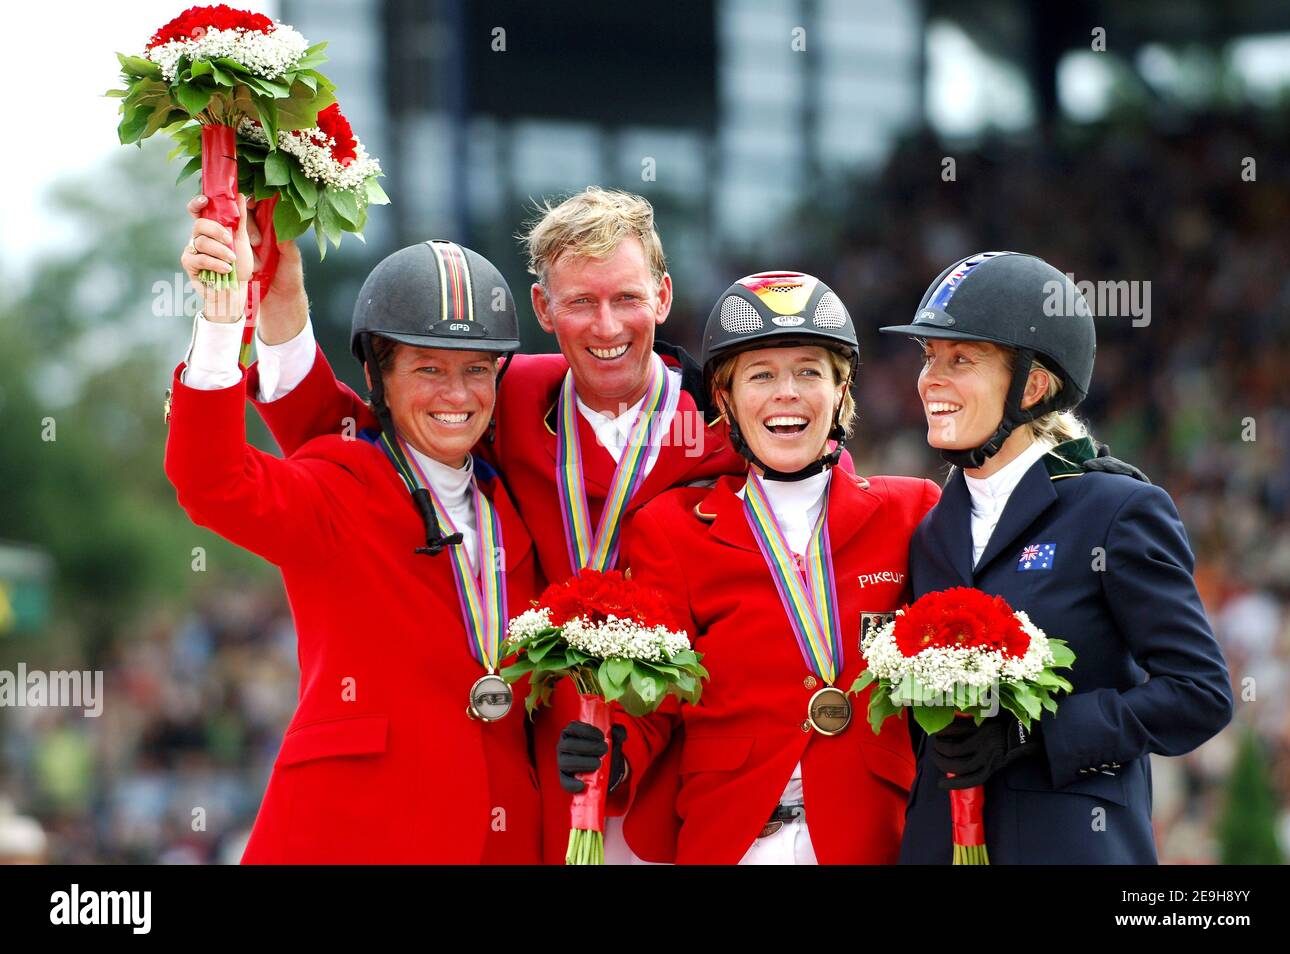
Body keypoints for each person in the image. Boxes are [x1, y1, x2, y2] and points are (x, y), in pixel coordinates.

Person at [214, 189, 851, 863]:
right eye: (580, 302)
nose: (607, 327)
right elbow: (363, 439)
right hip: (540, 775)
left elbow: (820, 558)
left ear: (662, 298)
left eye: (626, 299)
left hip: (687, 778)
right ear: (544, 309)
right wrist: (280, 301)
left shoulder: (734, 422)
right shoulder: (501, 396)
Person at [166, 197, 542, 863]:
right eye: (429, 368)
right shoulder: (342, 482)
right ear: (379, 378)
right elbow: (212, 481)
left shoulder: (507, 499)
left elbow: (312, 403)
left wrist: (284, 286)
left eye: (476, 369)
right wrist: (225, 320)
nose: (458, 394)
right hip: (355, 831)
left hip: (504, 834)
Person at [564, 272, 940, 864]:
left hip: (872, 837)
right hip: (732, 840)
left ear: (842, 392)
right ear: (725, 399)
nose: (786, 393)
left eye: (809, 372)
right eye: (761, 375)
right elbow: (654, 699)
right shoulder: (672, 529)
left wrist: (1074, 472)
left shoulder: (911, 511)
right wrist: (611, 753)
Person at [878, 250, 1234, 863]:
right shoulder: (933, 531)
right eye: (928, 358)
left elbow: (1200, 693)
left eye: (960, 359)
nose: (930, 379)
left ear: (1034, 385)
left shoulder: (1117, 510)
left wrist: (1038, 733)